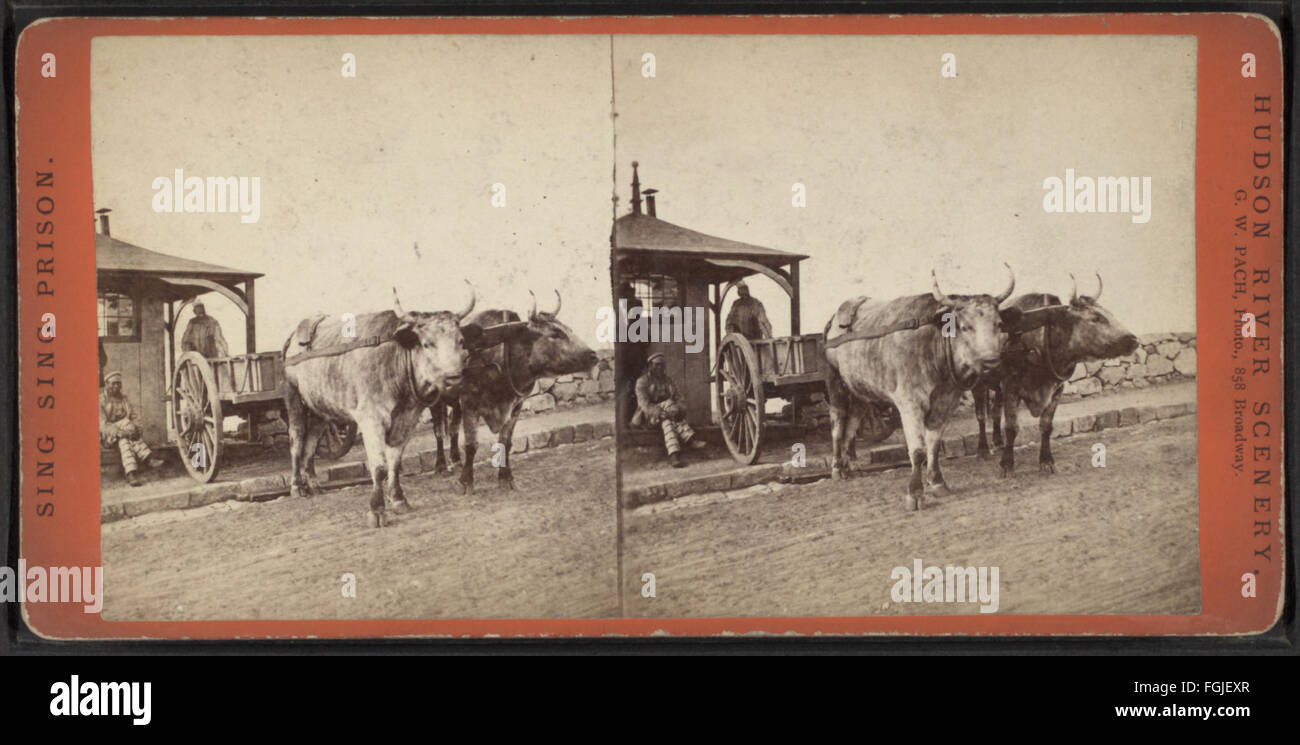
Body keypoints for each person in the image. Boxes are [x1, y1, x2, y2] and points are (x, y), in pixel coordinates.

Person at [633, 353, 706, 467]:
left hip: (667, 417)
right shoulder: (642, 382)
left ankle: (674, 456)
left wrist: (676, 410)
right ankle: (690, 439)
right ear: (650, 366)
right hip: (649, 418)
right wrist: (659, 412)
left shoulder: (668, 381)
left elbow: (680, 399)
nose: (660, 368)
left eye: (662, 365)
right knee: (668, 404)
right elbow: (644, 405)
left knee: (667, 421)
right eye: (657, 365)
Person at [100, 371, 161, 486]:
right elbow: (102, 425)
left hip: (125, 434)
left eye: (118, 384)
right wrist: (119, 432)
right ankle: (147, 457)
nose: (116, 386)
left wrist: (136, 429)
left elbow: (134, 416)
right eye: (113, 384)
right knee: (126, 423)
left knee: (124, 441)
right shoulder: (101, 401)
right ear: (107, 384)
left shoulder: (124, 399)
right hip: (109, 436)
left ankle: (131, 474)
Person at [616, 281, 646, 426]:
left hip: (628, 352)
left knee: (628, 386)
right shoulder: (635, 304)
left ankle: (627, 419)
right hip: (634, 351)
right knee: (633, 386)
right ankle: (630, 419)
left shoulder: (621, 305)